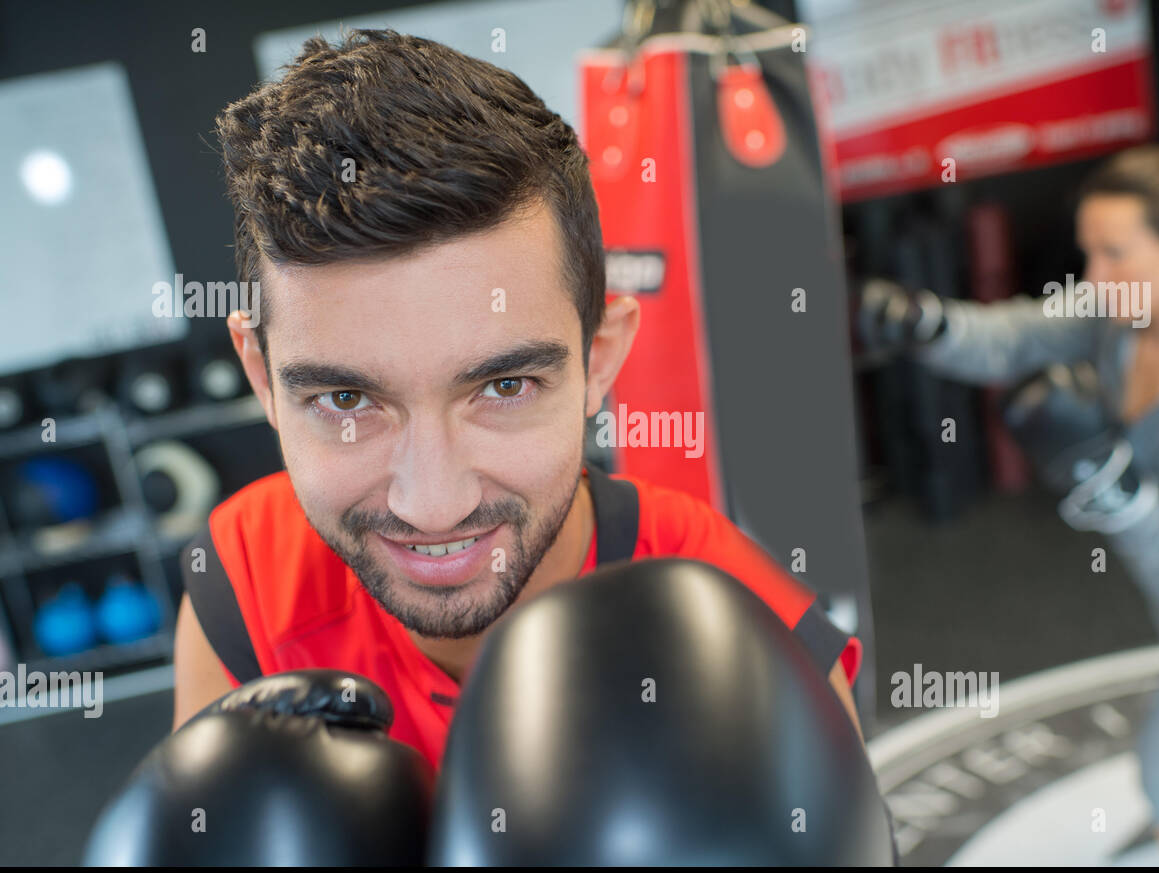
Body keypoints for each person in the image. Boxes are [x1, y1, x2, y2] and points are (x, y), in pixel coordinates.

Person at [173, 29, 866, 782]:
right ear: (263, 377)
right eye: (347, 399)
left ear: (600, 358)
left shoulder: (751, 630)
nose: (433, 505)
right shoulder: (247, 578)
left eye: (504, 387)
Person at [861, 144, 1159, 866]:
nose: (1095, 276)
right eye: (1089, 252)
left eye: (1115, 253)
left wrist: (1102, 470)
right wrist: (928, 322)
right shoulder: (1124, 309)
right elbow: (1014, 336)